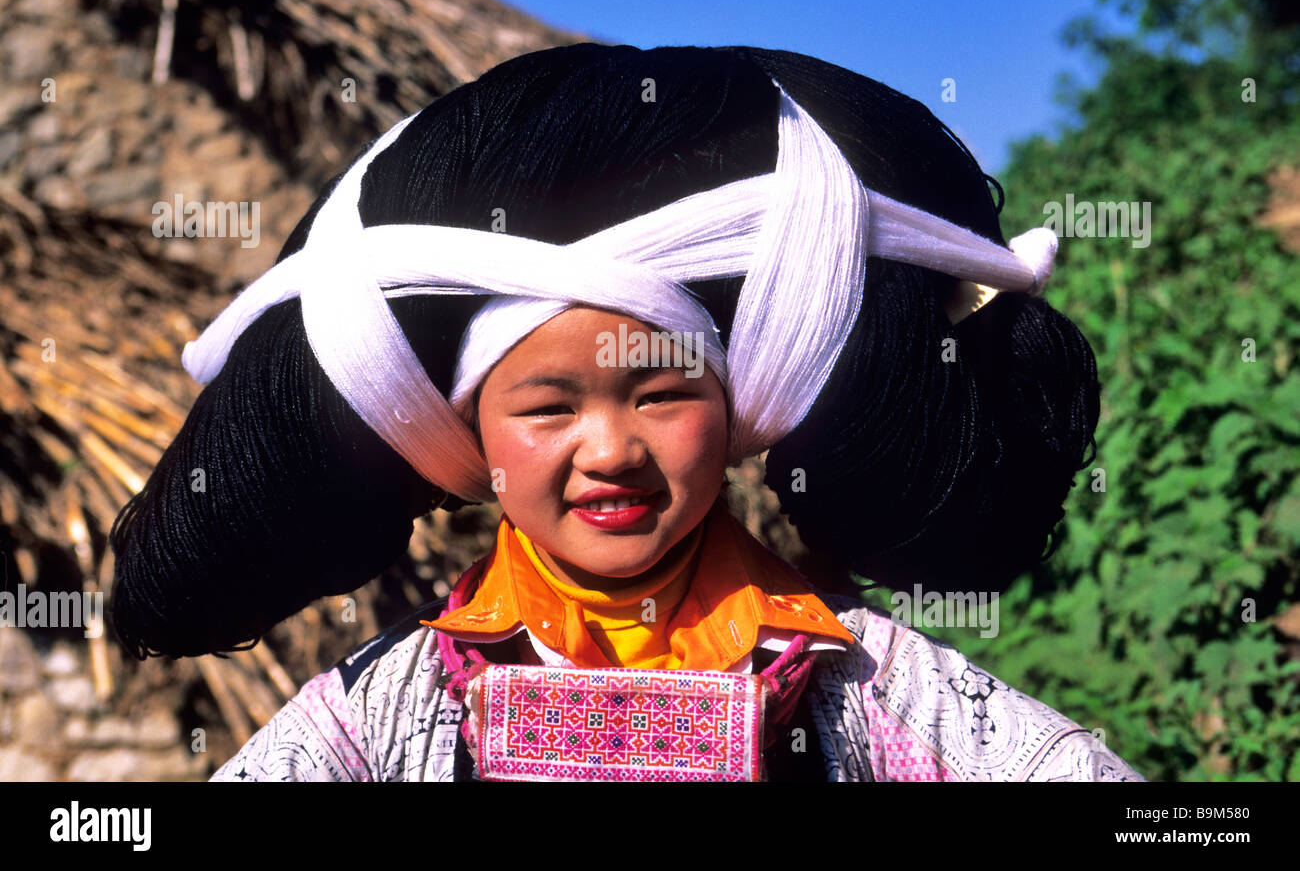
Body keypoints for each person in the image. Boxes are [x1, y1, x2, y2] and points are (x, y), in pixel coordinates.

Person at [108, 42, 1145, 781]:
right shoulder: (388, 707)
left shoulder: (865, 681)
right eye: (547, 405)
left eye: (659, 391)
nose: (610, 449)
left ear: (738, 405)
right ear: (471, 436)